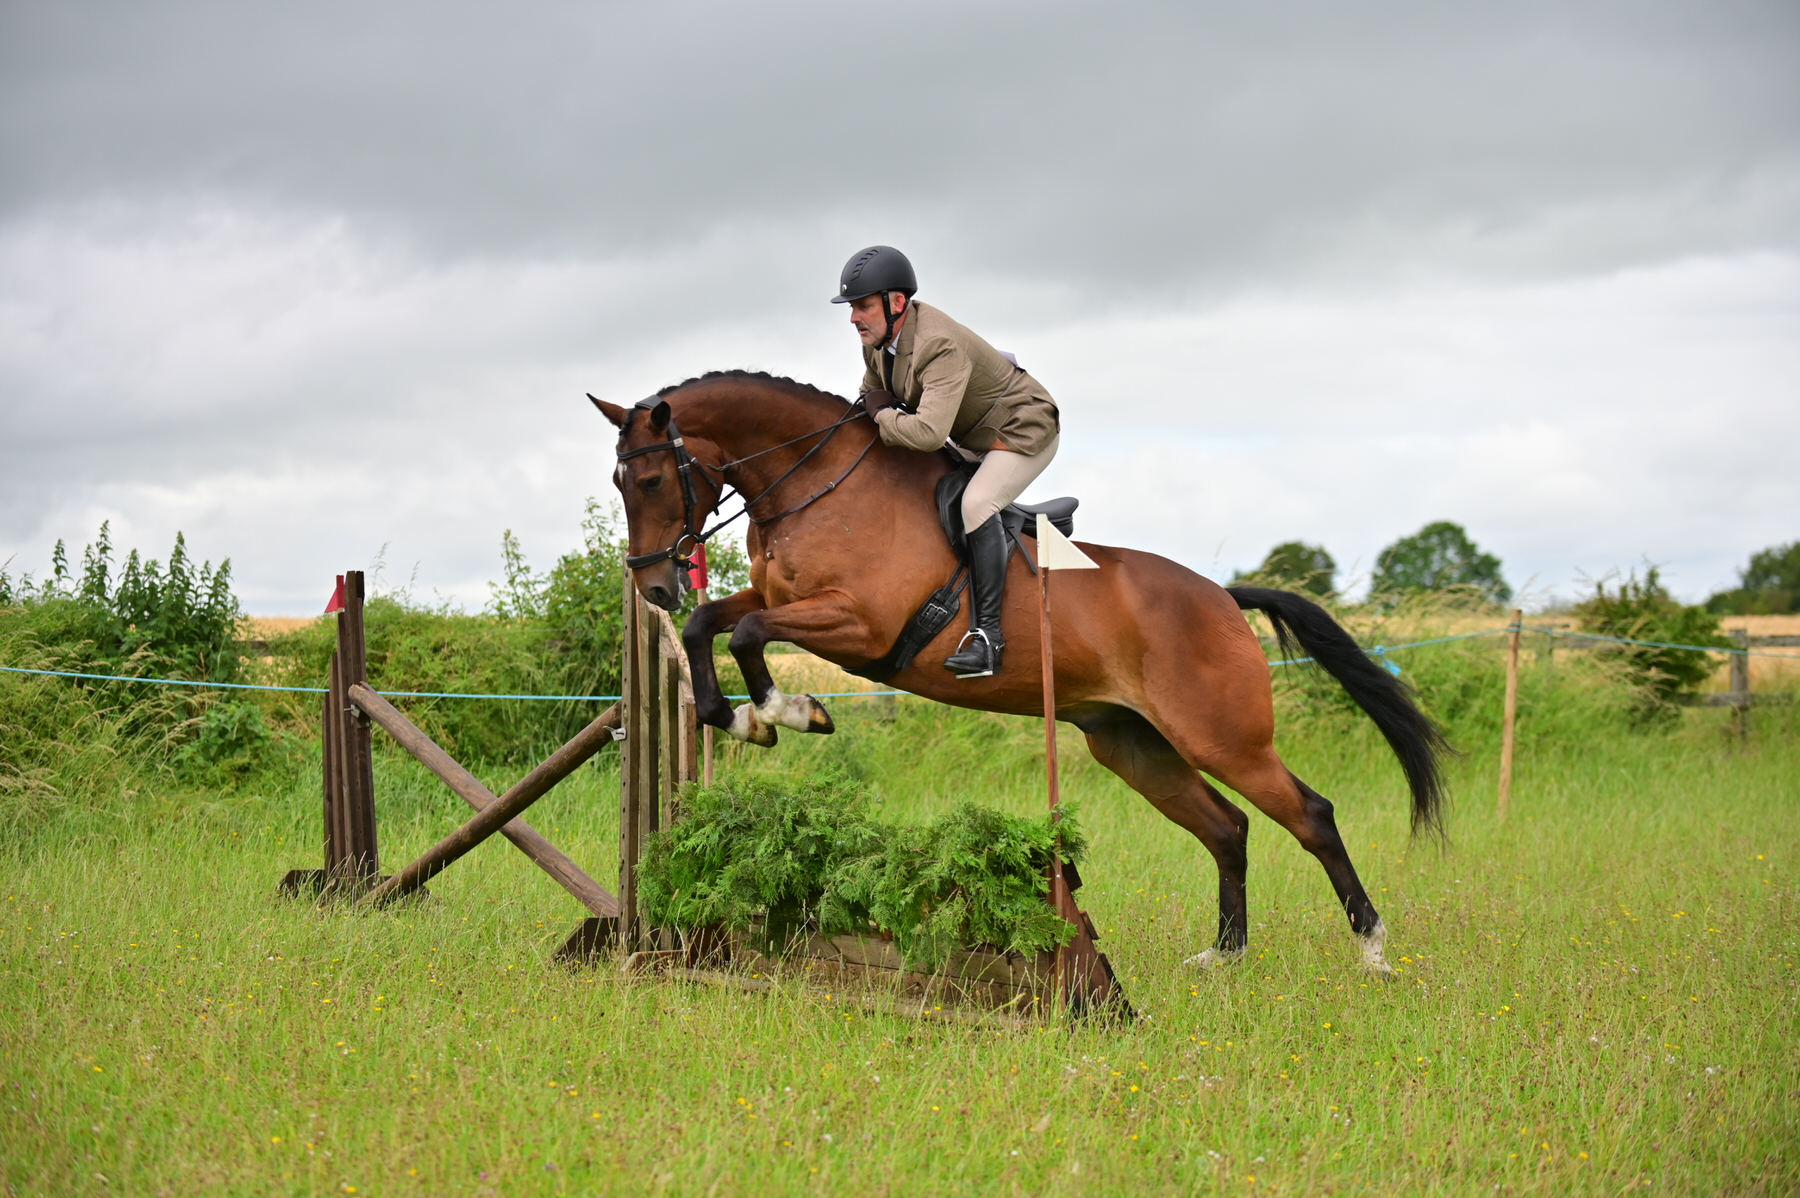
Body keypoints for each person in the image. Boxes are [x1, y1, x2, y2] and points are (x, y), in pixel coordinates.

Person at [832, 245, 1061, 679]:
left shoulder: (939, 344)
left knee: (976, 504)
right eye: (851, 307)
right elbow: (868, 395)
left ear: (895, 303)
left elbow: (925, 432)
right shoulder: (878, 342)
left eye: (861, 306)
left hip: (1024, 428)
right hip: (974, 435)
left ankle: (988, 639)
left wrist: (881, 414)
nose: (853, 318)